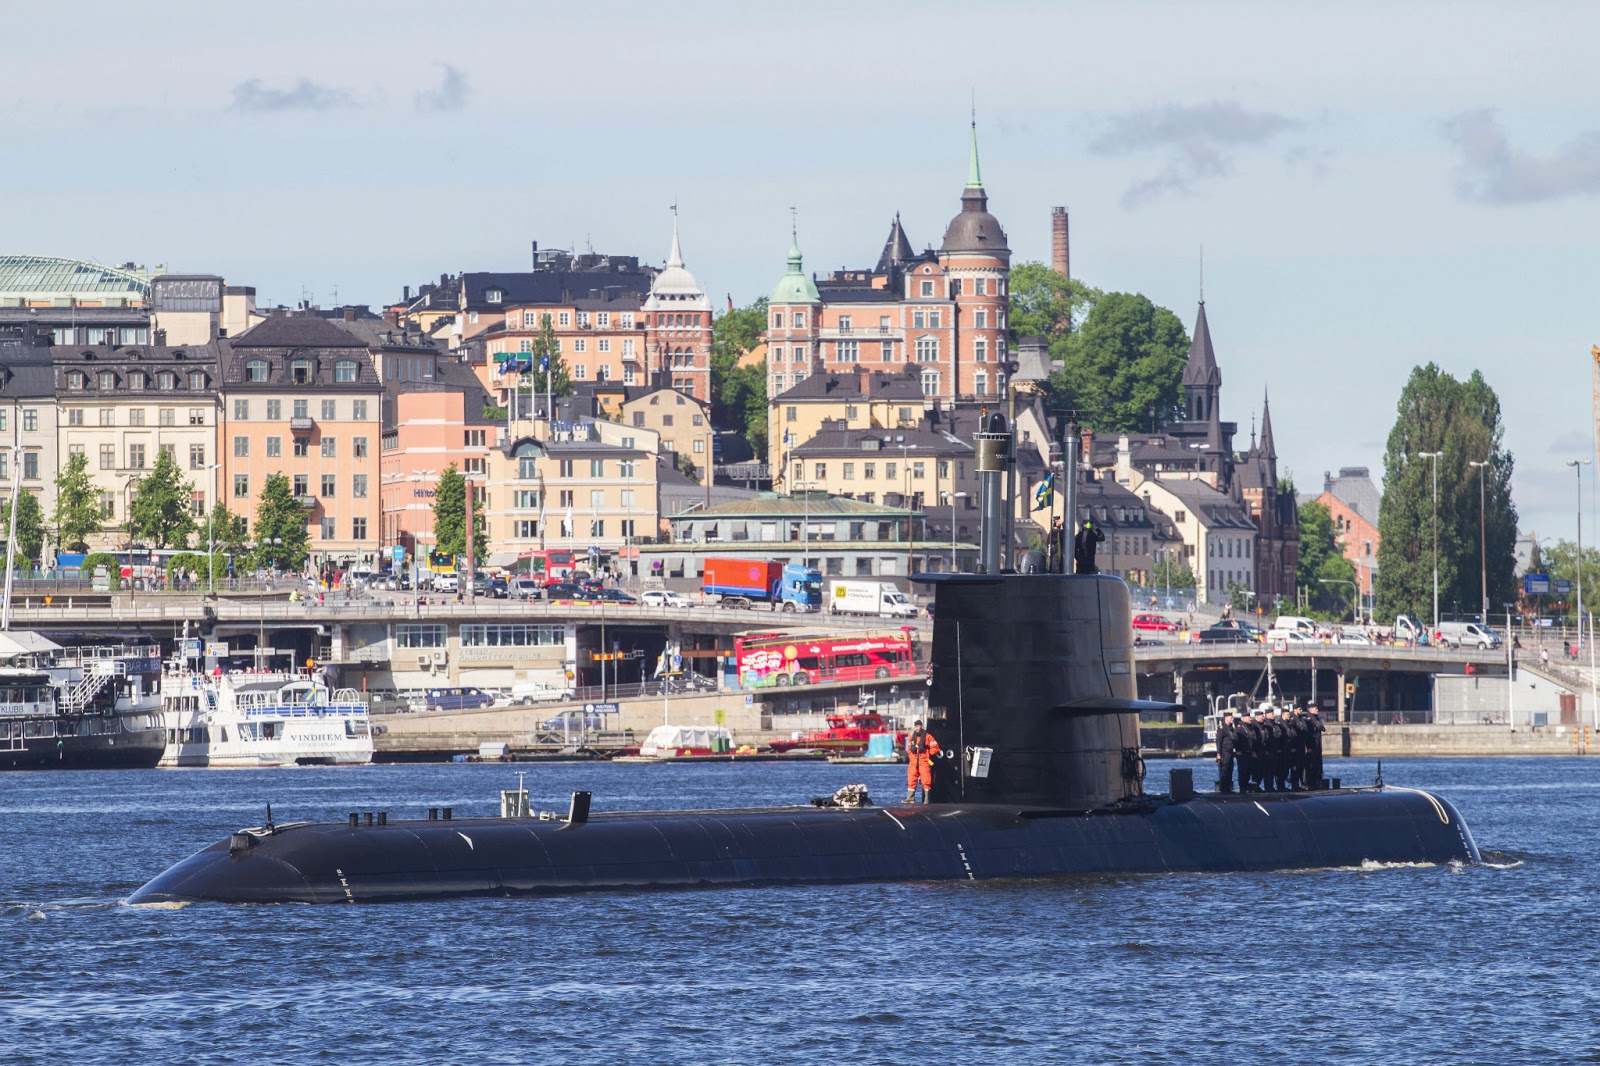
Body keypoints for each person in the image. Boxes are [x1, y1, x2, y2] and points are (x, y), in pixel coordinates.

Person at [905, 719, 940, 803]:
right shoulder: (912, 737)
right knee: (911, 779)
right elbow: (909, 749)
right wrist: (911, 756)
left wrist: (928, 754)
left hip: (924, 761)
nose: (916, 728)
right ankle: (910, 798)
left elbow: (935, 748)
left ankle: (926, 799)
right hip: (913, 762)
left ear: (921, 726)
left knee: (926, 780)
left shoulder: (928, 737)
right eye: (915, 726)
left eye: (918, 726)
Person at [1304, 706, 1326, 789]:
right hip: (1311, 746)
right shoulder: (1308, 719)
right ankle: (1309, 784)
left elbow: (1322, 728)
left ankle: (1316, 782)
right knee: (1311, 766)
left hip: (1317, 746)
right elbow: (1307, 734)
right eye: (1315, 709)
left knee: (1317, 765)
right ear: (1310, 710)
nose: (1318, 710)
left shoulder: (1316, 719)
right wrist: (1308, 746)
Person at [1216, 710, 1237, 793]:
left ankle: (1228, 788)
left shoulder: (1231, 727)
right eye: (1231, 717)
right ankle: (1223, 788)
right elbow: (1219, 741)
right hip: (1224, 752)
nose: (1233, 718)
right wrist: (1219, 754)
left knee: (1230, 770)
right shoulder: (1222, 728)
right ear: (1226, 718)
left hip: (1230, 751)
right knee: (1224, 770)